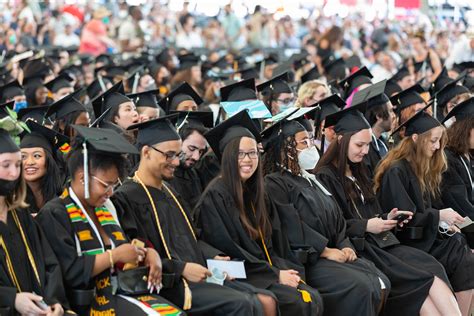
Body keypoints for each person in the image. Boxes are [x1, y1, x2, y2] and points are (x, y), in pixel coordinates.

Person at [315, 103, 461, 316]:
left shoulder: (360, 171)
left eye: (367, 145)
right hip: (364, 248)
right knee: (421, 278)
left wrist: (387, 217)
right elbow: (335, 226)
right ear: (341, 140)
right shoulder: (325, 177)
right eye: (359, 145)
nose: (365, 151)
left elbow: (373, 211)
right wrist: (367, 225)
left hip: (384, 242)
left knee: (432, 268)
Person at [112, 116, 268, 315]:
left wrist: (213, 257)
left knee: (257, 300)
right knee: (242, 303)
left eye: (177, 154)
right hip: (168, 285)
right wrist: (181, 268)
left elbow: (193, 237)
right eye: (169, 155)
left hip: (198, 275)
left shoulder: (170, 193)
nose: (176, 162)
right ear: (146, 152)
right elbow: (135, 258)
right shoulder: (126, 198)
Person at [36, 126, 182, 315]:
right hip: (88, 303)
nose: (111, 193)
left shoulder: (109, 206)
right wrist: (114, 257)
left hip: (125, 290)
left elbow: (131, 241)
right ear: (82, 178)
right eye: (105, 185)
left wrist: (149, 254)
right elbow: (68, 272)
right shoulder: (55, 213)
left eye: (114, 185)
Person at [195, 110, 323, 316]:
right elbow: (233, 251)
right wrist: (275, 275)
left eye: (253, 152)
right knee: (295, 301)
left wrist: (287, 270)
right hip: (240, 275)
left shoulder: (256, 193)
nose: (248, 159)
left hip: (263, 270)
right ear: (228, 157)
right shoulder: (216, 197)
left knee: (311, 296)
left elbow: (274, 241)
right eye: (241, 154)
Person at [261, 111, 389, 315]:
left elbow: (337, 217)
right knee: (360, 285)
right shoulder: (274, 183)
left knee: (381, 281)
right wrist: (326, 251)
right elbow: (291, 226)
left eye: (311, 140)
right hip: (309, 260)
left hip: (333, 253)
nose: (311, 146)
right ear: (286, 148)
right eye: (304, 142)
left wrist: (345, 245)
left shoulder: (310, 178)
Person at [373, 107, 474, 315]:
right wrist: (438, 216)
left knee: (460, 246)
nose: (438, 147)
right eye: (434, 141)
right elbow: (404, 219)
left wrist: (447, 221)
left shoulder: (421, 167)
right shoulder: (397, 171)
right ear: (417, 138)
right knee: (461, 256)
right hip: (409, 242)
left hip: (427, 236)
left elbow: (431, 206)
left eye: (440, 141)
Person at [0, 126, 71, 315]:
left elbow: (49, 263)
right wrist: (11, 298)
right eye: (6, 165)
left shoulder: (19, 213)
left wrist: (54, 303)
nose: (15, 173)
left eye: (17, 165)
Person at [20, 120, 68, 214]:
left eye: (37, 156)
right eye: (23, 156)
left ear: (49, 161)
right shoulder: (12, 203)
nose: (29, 162)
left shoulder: (64, 199)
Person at [168, 111, 213, 209]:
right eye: (191, 149)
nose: (196, 157)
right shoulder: (163, 176)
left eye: (201, 151)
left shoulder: (195, 175)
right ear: (178, 141)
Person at [439, 97, 474, 218]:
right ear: (465, 130)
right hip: (462, 225)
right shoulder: (448, 159)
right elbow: (460, 204)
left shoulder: (468, 154)